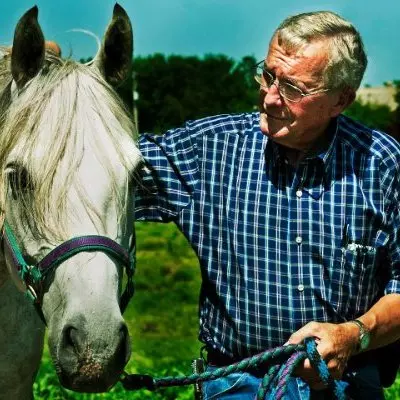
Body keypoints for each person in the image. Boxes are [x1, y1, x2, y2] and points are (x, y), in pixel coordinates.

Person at [135, 10, 400, 399]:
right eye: (269, 75)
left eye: (293, 88)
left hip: (346, 384)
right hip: (233, 383)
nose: (270, 97)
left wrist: (352, 335)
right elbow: (99, 166)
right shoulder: (210, 149)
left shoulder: (382, 165)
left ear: (341, 100)